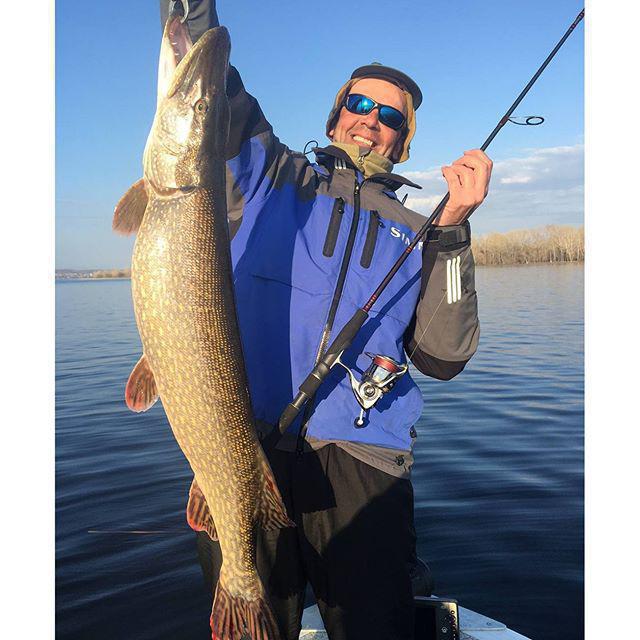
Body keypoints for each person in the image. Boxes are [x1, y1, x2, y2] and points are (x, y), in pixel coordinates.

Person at [160, 2, 492, 639]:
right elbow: (214, 92)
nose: (371, 123)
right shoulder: (271, 173)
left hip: (363, 460)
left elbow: (444, 357)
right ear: (337, 115)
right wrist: (193, 13)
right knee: (252, 615)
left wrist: (452, 234)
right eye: (360, 107)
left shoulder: (423, 232)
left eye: (390, 117)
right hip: (241, 438)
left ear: (404, 137)